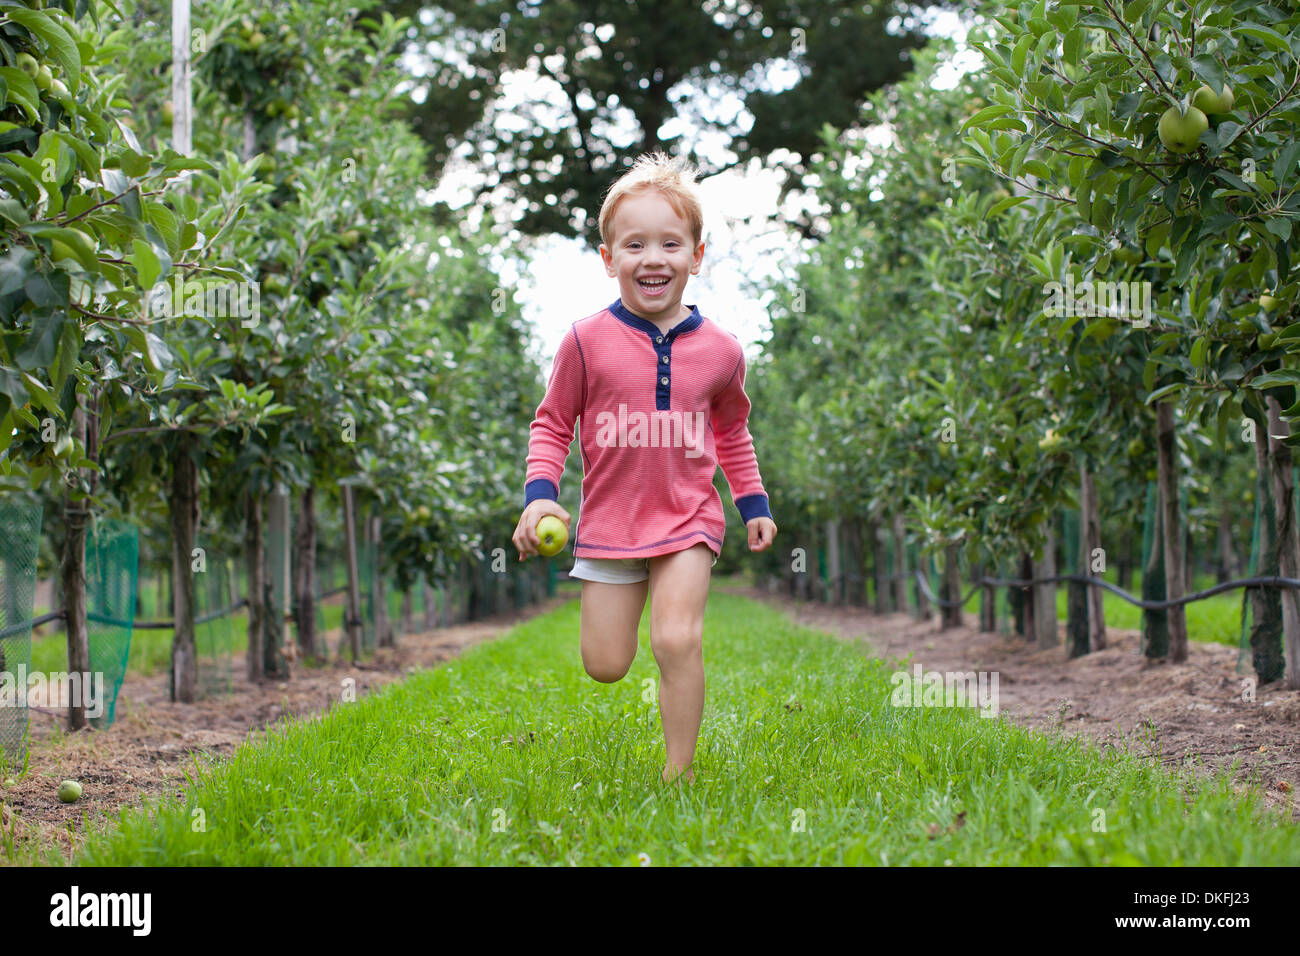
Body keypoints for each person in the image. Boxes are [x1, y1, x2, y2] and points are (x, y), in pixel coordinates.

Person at [513, 151, 777, 787]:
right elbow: (551, 424)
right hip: (610, 520)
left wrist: (753, 502)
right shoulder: (584, 341)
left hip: (689, 516)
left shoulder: (721, 350)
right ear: (609, 259)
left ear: (696, 255)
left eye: (670, 243)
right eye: (634, 244)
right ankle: (636, 692)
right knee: (605, 663)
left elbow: (732, 430)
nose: (652, 258)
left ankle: (678, 775)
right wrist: (540, 497)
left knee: (677, 639)